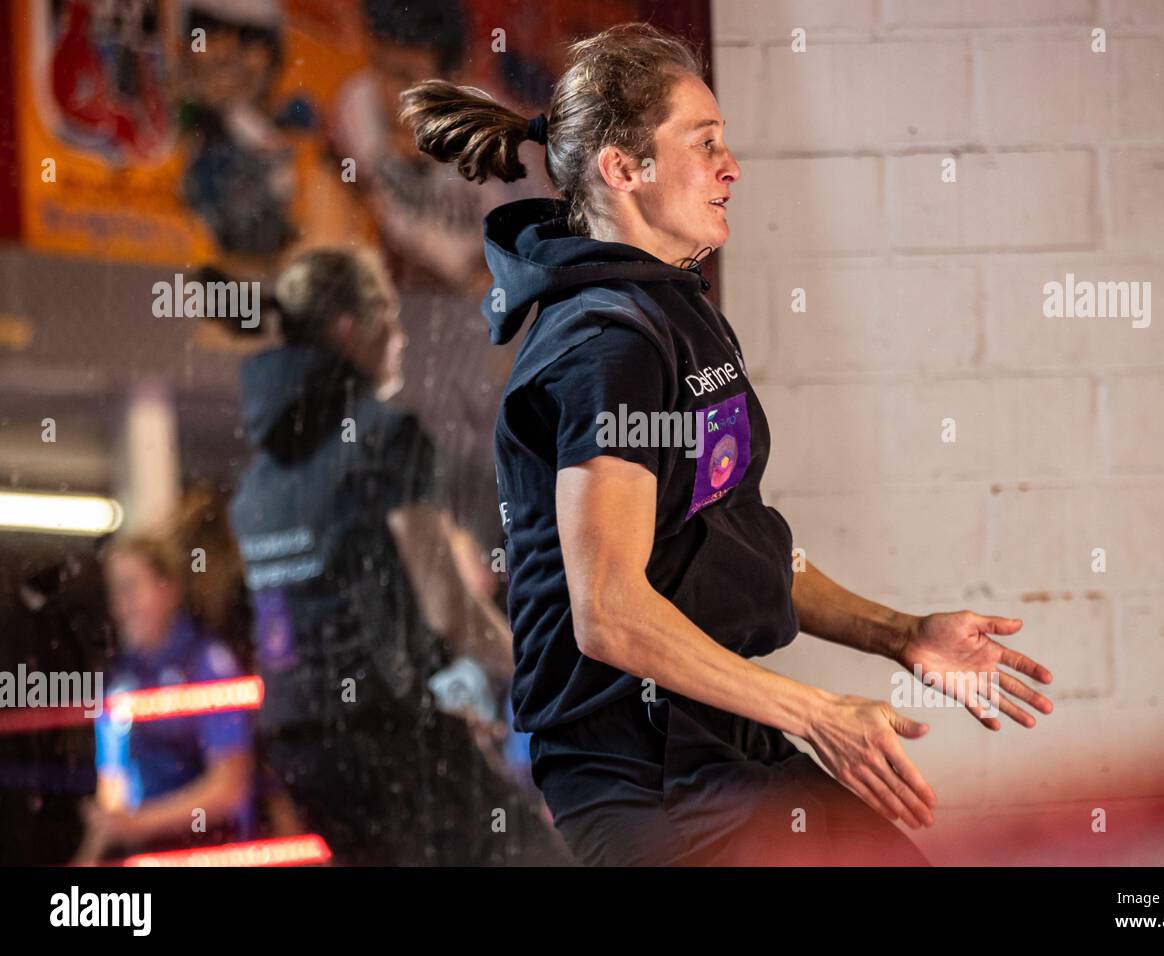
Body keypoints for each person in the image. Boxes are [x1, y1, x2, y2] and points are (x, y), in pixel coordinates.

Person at [400, 22, 1056, 866]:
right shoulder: (606, 344)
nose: (731, 167)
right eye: (704, 144)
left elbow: (724, 539)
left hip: (724, 744)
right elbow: (610, 615)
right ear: (623, 169)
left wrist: (901, 634)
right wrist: (820, 712)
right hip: (647, 779)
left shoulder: (673, 311)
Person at [227, 246, 571, 865]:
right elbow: (449, 610)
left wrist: (437, 681)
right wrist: (553, 676)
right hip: (383, 734)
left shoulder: (259, 477)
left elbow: (338, 611)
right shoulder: (385, 435)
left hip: (298, 744)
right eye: (388, 312)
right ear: (348, 329)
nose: (402, 334)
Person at [74, 534, 255, 863]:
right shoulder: (121, 676)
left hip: (211, 851)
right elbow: (113, 784)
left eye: (130, 588)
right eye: (114, 591)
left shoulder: (208, 665)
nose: (121, 606)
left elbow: (230, 788)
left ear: (166, 589)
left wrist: (138, 823)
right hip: (146, 852)